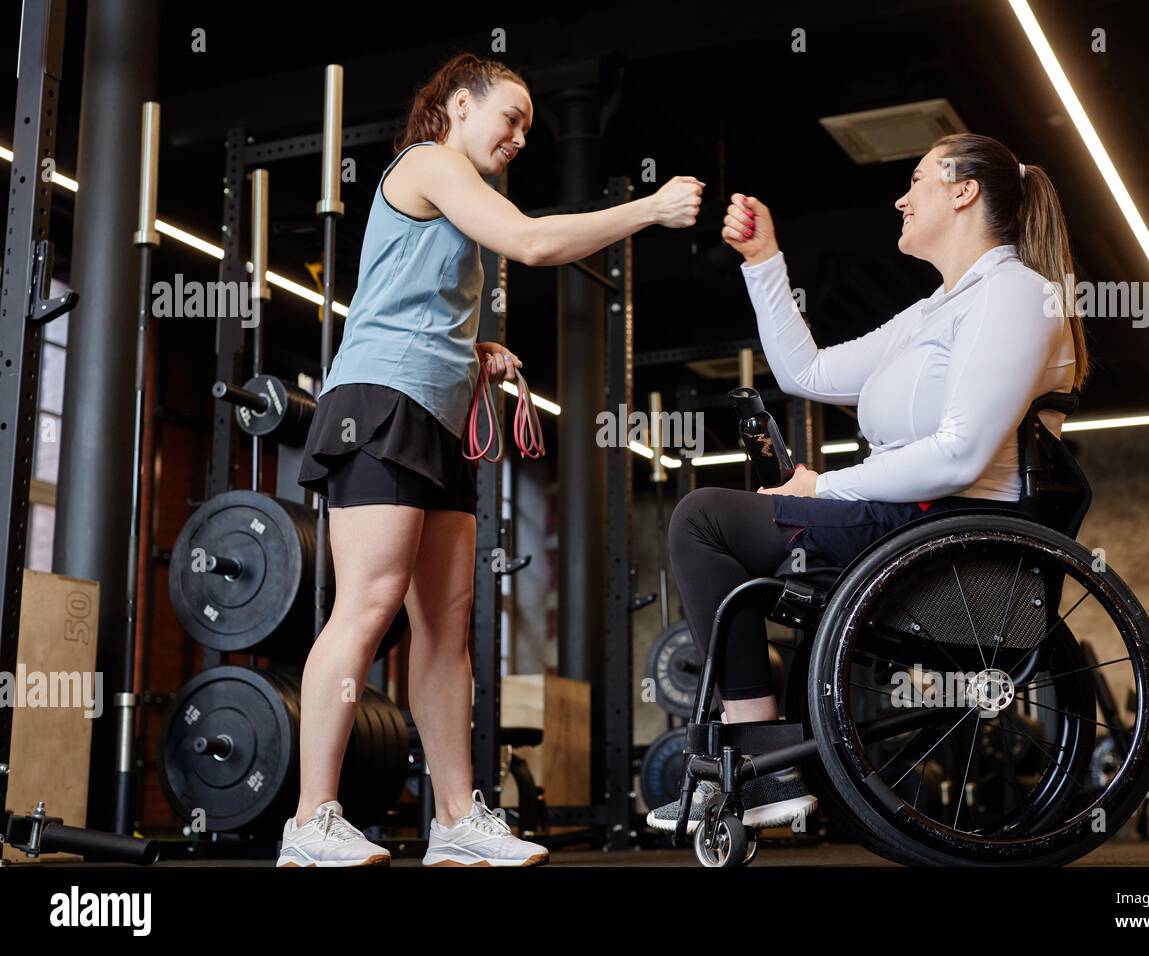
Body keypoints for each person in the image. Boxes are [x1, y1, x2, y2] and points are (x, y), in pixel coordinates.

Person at [276, 52, 703, 867]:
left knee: (446, 630)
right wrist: (648, 208)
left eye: (529, 130)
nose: (519, 138)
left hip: (431, 412)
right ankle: (309, 822)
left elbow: (406, 300)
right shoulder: (430, 161)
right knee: (367, 607)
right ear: (461, 104)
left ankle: (455, 822)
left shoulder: (455, 189)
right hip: (378, 405)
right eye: (511, 118)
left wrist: (472, 353)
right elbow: (535, 244)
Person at [648, 133, 1088, 834]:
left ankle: (759, 758)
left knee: (704, 520)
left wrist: (823, 488)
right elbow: (809, 374)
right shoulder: (934, 311)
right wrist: (765, 263)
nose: (901, 197)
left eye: (916, 180)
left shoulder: (1017, 295)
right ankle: (760, 759)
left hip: (948, 535)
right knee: (712, 522)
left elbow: (959, 455)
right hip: (904, 523)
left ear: (963, 190)